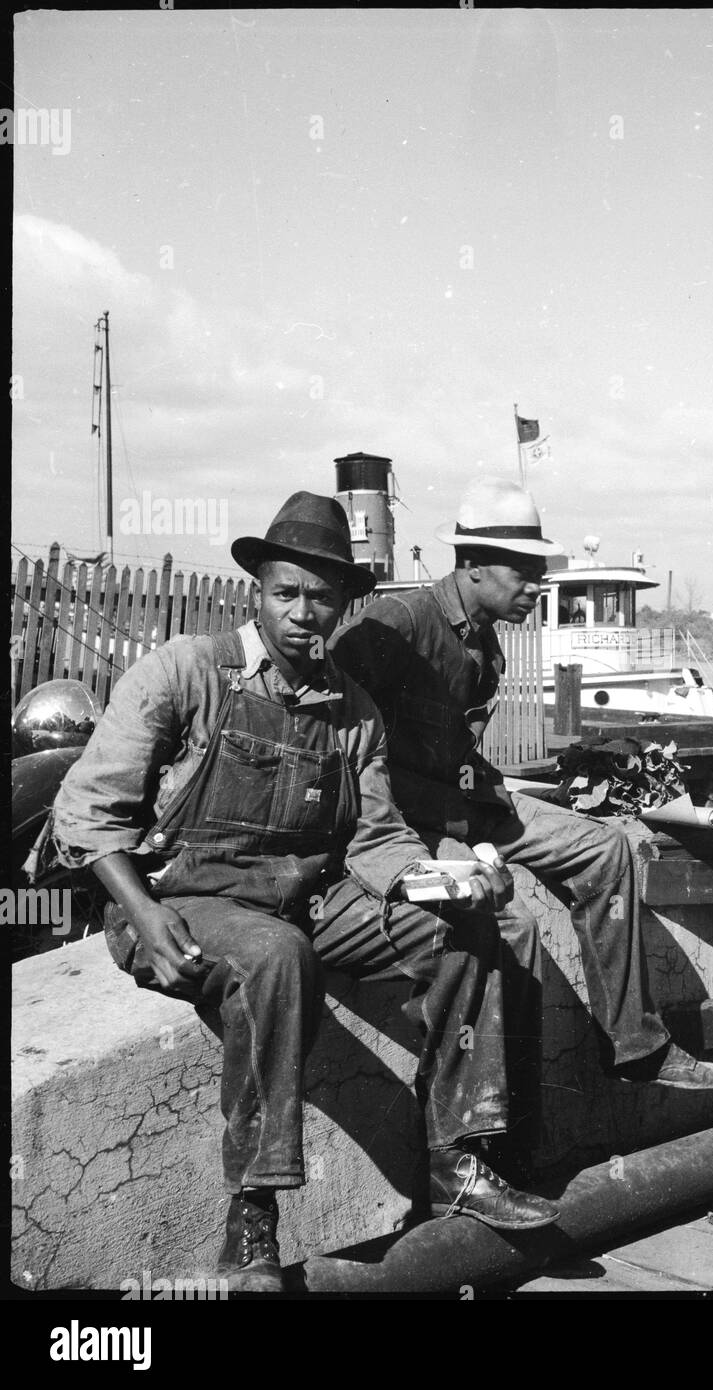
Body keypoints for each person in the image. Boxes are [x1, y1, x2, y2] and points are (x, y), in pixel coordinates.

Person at [51, 492, 559, 1294]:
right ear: (258, 592)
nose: (302, 614)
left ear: (344, 605)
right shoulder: (186, 671)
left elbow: (375, 836)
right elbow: (84, 815)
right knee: (275, 954)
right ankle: (251, 1217)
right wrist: (144, 916)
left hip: (303, 899)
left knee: (462, 929)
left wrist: (439, 881)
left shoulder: (354, 712)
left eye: (321, 598)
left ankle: (457, 1162)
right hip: (184, 900)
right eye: (285, 594)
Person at [329, 478, 713, 1101]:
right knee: (500, 920)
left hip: (467, 803)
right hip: (405, 823)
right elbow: (331, 731)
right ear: (468, 565)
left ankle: (636, 1045)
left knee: (607, 850)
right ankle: (502, 1112)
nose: (535, 584)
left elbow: (456, 749)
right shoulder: (398, 623)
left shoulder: (483, 642)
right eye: (521, 570)